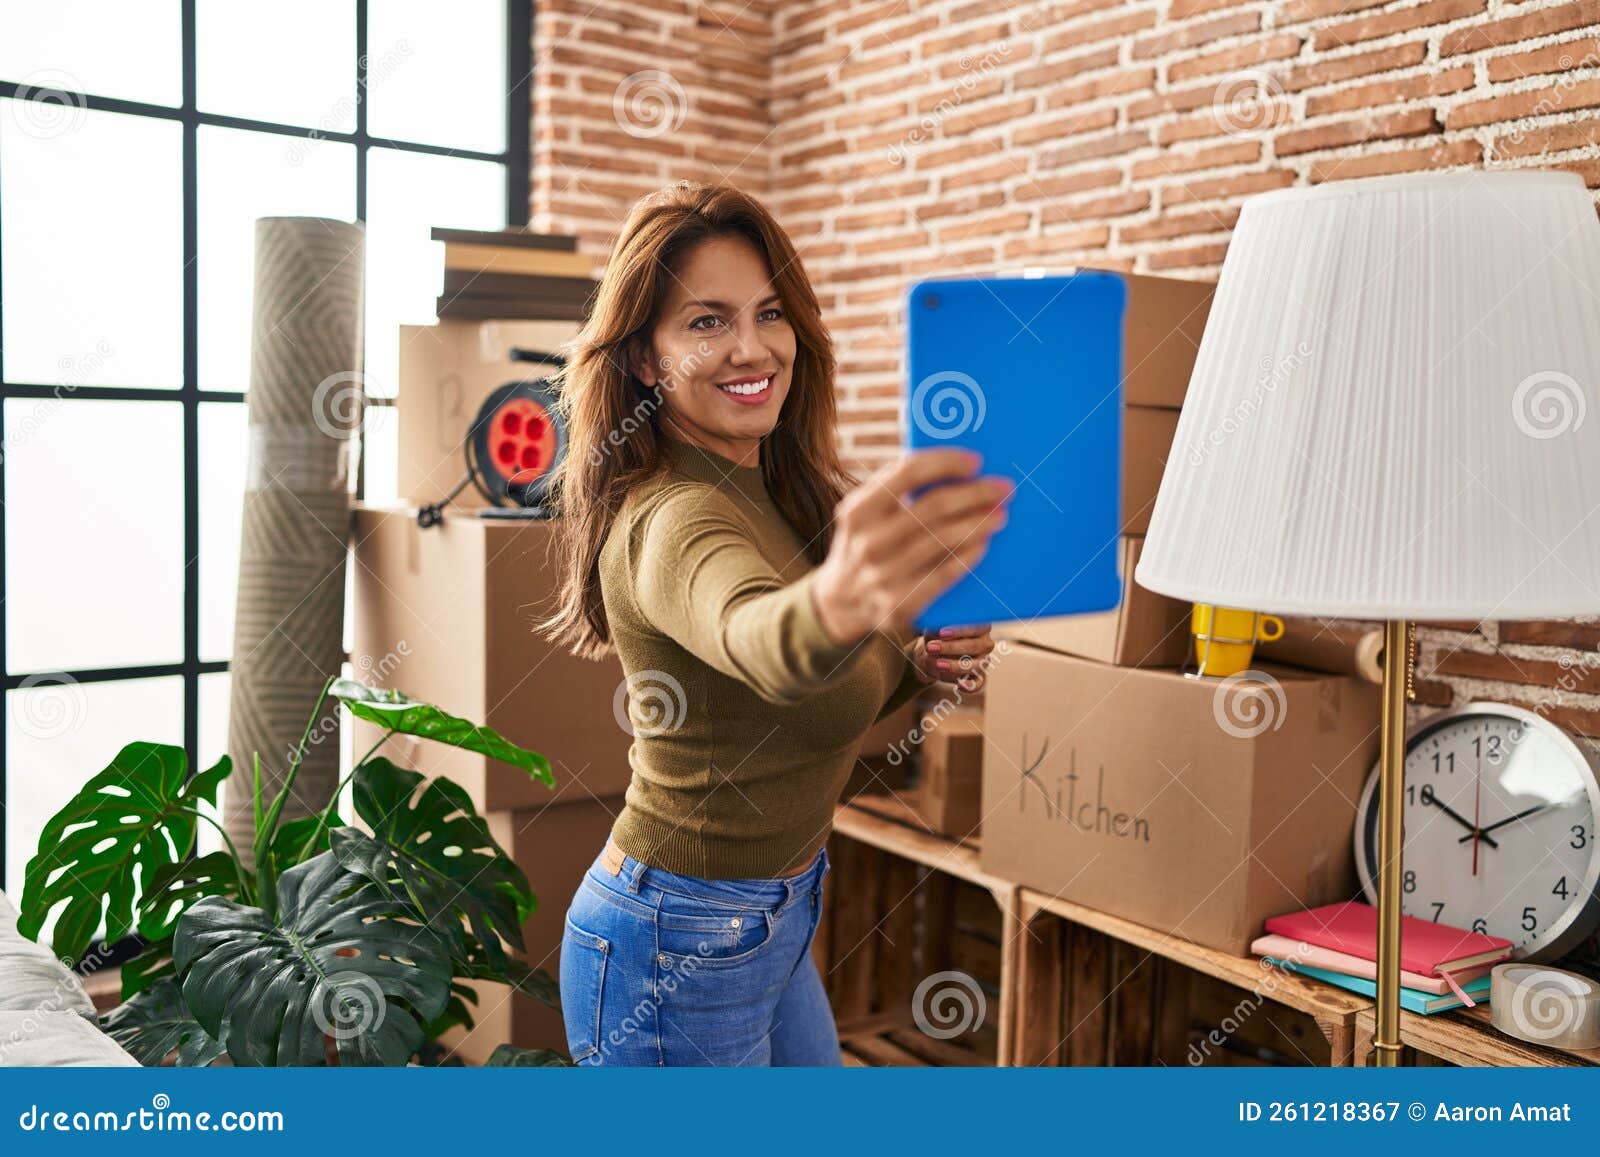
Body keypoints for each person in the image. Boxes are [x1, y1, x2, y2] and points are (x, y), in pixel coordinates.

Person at [536, 180, 1013, 1066]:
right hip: (676, 937)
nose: (752, 347)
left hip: (775, 915)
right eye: (706, 321)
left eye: (769, 313)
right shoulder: (675, 518)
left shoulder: (779, 494)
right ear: (645, 360)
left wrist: (915, 657)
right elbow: (764, 645)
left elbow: (810, 689)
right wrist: (849, 596)